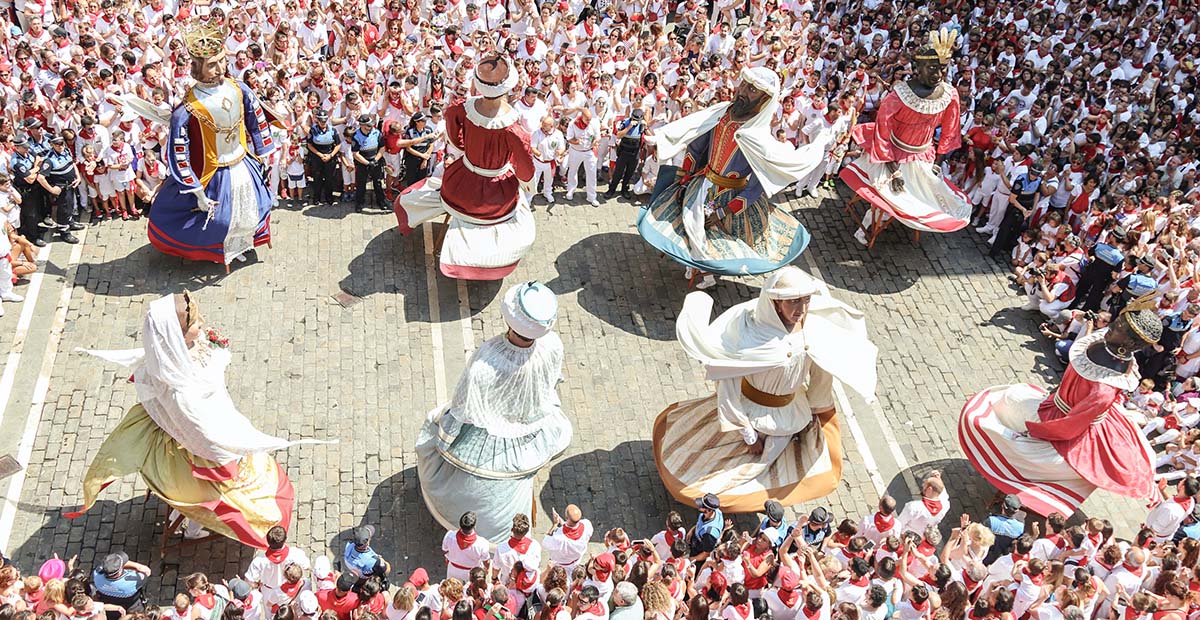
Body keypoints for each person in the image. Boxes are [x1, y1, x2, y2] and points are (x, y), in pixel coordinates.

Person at [68, 292, 329, 547]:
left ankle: (183, 515)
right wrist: (229, 452)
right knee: (216, 497)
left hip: (206, 426)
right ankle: (194, 527)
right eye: (194, 324)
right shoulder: (176, 388)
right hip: (197, 445)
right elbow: (198, 431)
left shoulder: (168, 353)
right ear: (175, 335)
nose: (202, 325)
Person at [652, 267, 877, 511]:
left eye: (806, 300)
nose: (800, 309)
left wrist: (817, 407)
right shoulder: (751, 337)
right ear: (776, 303)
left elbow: (821, 372)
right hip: (749, 412)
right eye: (793, 301)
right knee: (738, 470)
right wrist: (746, 432)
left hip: (790, 412)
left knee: (768, 464)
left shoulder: (812, 329)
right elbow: (727, 384)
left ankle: (763, 501)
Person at [960, 295, 1162, 516]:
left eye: (1120, 327)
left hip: (1069, 427)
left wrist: (1036, 430)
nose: (1113, 325)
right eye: (1119, 321)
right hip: (1059, 404)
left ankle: (1023, 494)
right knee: (1012, 398)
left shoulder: (1104, 388)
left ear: (1130, 344)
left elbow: (1073, 424)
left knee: (1025, 450)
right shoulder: (1104, 340)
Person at [638, 68, 823, 289]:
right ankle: (695, 265)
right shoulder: (721, 114)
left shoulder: (759, 139)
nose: (743, 91)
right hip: (702, 182)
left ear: (765, 99)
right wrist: (685, 176)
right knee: (686, 224)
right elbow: (697, 146)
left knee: (709, 237)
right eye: (744, 84)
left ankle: (705, 272)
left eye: (752, 90)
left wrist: (723, 211)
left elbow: (756, 187)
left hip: (730, 198)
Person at [415, 282, 570, 541]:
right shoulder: (552, 346)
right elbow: (550, 384)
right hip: (530, 427)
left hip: (485, 430)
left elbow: (463, 406)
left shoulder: (486, 360)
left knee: (435, 424)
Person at [140, 16, 276, 267]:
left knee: (253, 209)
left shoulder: (239, 89)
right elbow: (179, 155)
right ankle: (219, 251)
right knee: (219, 220)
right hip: (213, 172)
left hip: (242, 162)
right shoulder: (187, 110)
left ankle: (240, 244)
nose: (220, 68)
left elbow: (257, 119)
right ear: (197, 68)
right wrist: (197, 191)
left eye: (222, 61)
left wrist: (264, 152)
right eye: (212, 64)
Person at [394, 52, 536, 280]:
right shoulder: (514, 130)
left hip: (463, 177)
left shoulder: (462, 108)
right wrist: (527, 183)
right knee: (516, 207)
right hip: (494, 189)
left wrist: (465, 148)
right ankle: (484, 258)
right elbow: (526, 169)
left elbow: (452, 128)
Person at [840, 30, 970, 247]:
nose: (938, 74)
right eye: (932, 68)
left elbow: (950, 129)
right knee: (887, 195)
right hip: (892, 155)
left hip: (923, 156)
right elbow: (882, 134)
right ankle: (864, 229)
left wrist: (938, 160)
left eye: (942, 69)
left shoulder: (950, 94)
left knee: (930, 194)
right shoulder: (898, 96)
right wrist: (894, 170)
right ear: (917, 69)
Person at [39, 134, 82, 245]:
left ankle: (70, 222)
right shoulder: (49, 160)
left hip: (71, 184)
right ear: (52, 145)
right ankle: (64, 231)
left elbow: (72, 163)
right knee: (64, 210)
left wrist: (78, 177)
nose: (60, 146)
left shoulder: (66, 150)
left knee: (70, 206)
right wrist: (52, 190)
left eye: (61, 143)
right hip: (62, 188)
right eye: (57, 144)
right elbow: (41, 177)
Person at [90, 552, 151, 620]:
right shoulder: (132, 582)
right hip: (132, 605)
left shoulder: (97, 575)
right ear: (119, 572)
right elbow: (146, 572)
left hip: (110, 604)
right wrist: (137, 566)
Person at [606, 107, 645, 199]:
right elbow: (619, 135)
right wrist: (629, 127)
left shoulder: (642, 124)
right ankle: (612, 189)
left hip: (635, 152)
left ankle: (624, 189)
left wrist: (645, 126)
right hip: (624, 151)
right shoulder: (626, 122)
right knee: (618, 172)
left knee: (629, 172)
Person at [351, 114, 387, 212]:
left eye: (371, 125)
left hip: (376, 160)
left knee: (378, 183)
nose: (370, 127)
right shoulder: (356, 136)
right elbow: (355, 153)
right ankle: (359, 203)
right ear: (361, 125)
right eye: (368, 125)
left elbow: (382, 148)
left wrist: (376, 160)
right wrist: (367, 163)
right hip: (362, 162)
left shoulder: (376, 133)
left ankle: (381, 201)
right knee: (361, 184)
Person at [306, 109, 341, 205]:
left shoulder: (333, 130)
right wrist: (320, 155)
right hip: (317, 157)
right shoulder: (313, 130)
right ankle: (316, 198)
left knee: (329, 179)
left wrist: (331, 155)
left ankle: (329, 198)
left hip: (330, 156)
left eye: (324, 120)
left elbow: (338, 145)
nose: (323, 123)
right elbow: (309, 145)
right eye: (321, 120)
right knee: (317, 178)